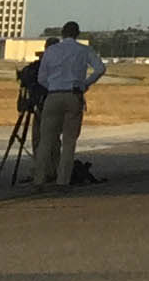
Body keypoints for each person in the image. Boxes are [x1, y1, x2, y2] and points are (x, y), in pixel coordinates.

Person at [31, 22, 106, 193]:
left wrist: (52, 85)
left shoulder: (51, 51)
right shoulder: (83, 50)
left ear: (62, 33)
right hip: (73, 94)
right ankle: (62, 181)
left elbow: (42, 77)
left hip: (53, 95)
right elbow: (100, 68)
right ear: (77, 34)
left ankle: (39, 179)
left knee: (46, 140)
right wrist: (85, 84)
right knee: (69, 141)